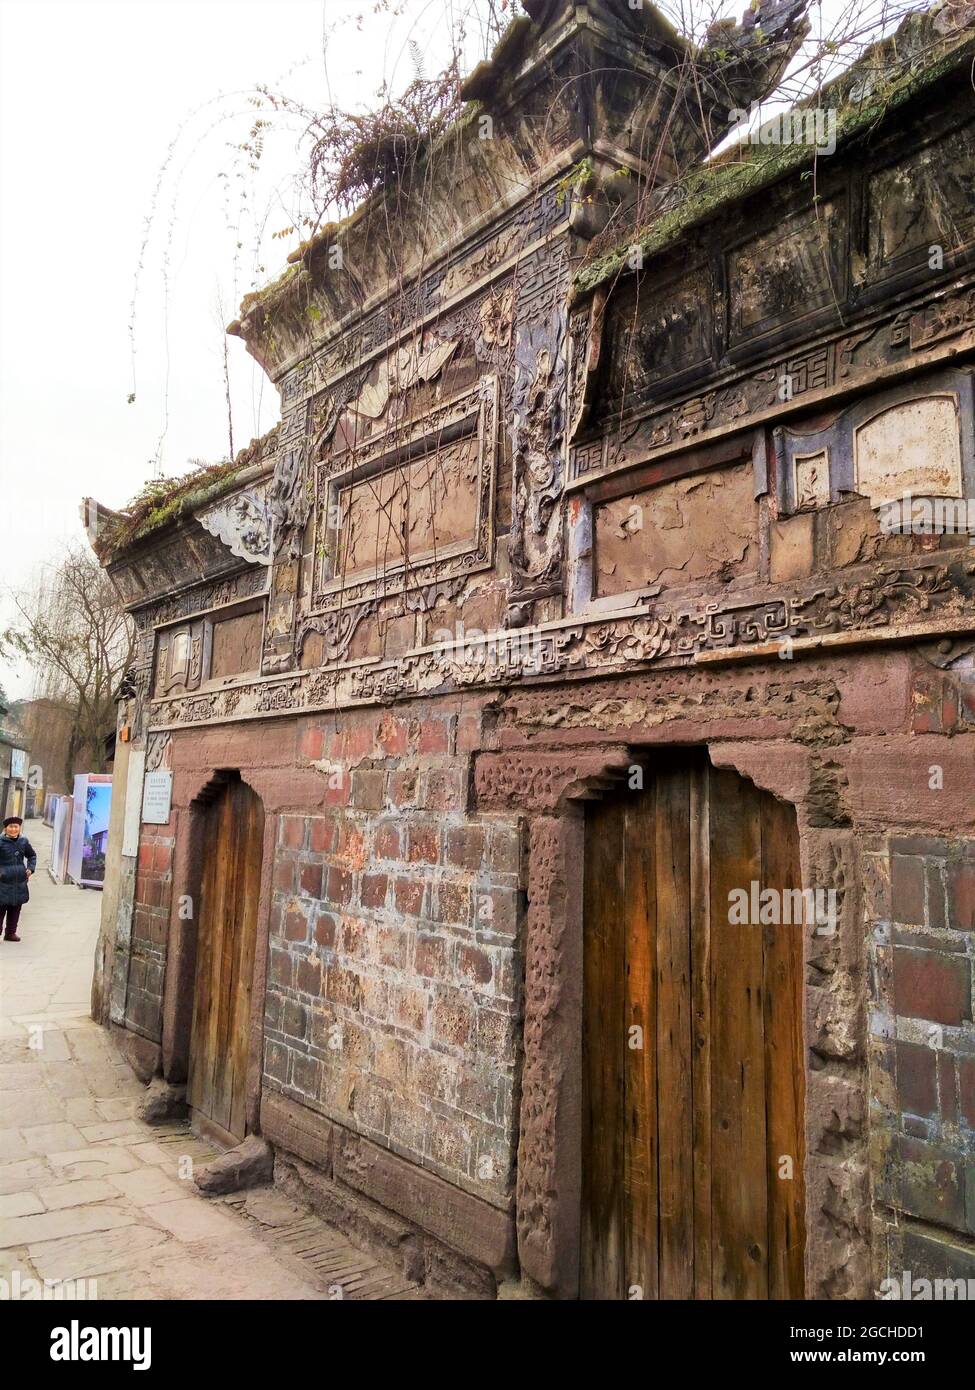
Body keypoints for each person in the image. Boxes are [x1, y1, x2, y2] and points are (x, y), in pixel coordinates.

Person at [0, 815, 37, 941]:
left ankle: (10, 933)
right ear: (6, 828)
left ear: (19, 828)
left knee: (15, 908)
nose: (13, 829)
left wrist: (30, 868)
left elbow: (32, 856)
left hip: (19, 881)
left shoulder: (23, 841)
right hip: (3, 882)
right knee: (1, 909)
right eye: (11, 827)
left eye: (16, 827)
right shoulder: (1, 842)